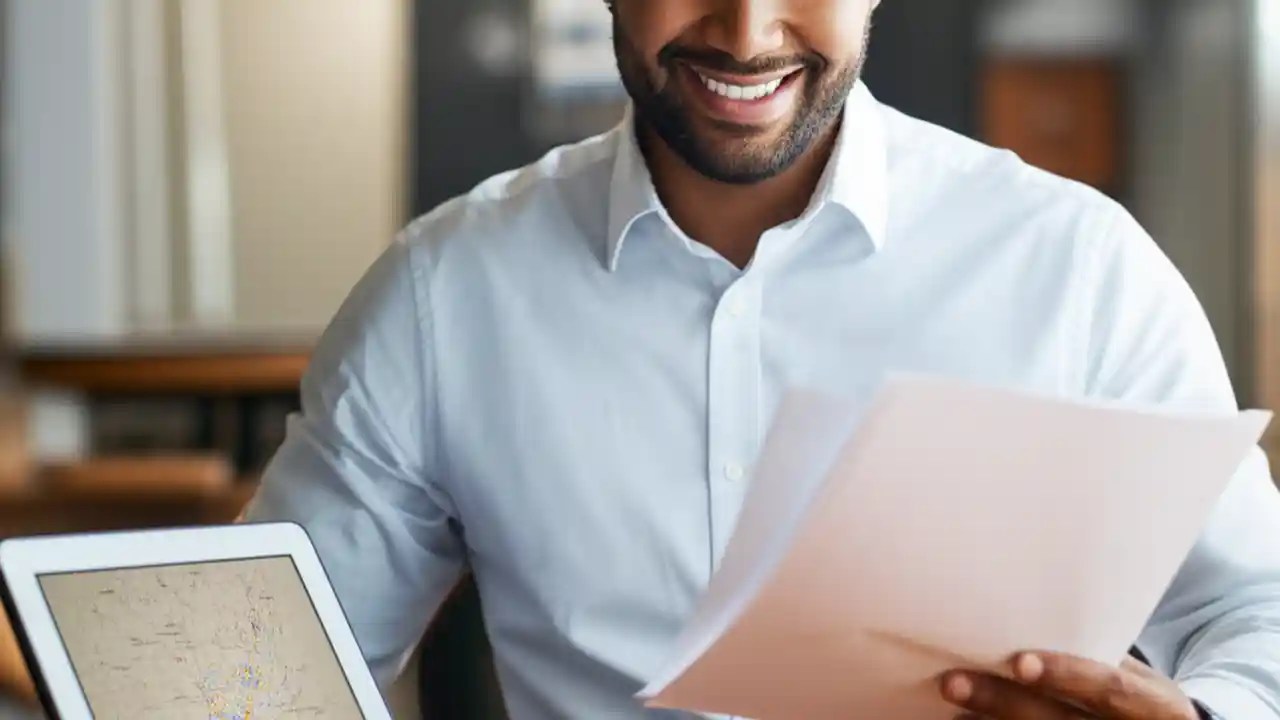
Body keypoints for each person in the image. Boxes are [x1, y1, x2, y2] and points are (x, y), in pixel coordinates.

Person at [245, 1, 1280, 718]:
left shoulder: (1076, 270)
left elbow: (1253, 609)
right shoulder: (445, 295)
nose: (745, 35)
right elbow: (265, 672)